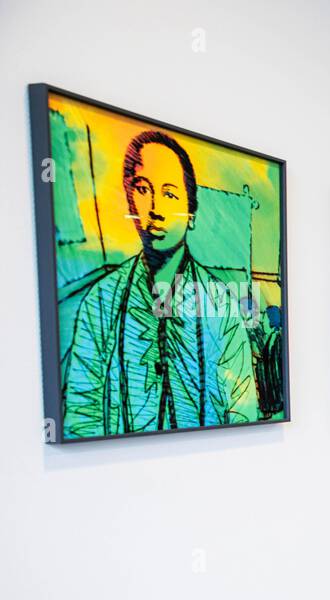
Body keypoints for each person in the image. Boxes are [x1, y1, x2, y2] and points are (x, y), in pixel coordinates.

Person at [63, 130, 259, 437]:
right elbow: (81, 414)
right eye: (143, 189)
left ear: (190, 212)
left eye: (169, 194)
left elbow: (243, 407)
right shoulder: (101, 301)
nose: (155, 208)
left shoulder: (220, 303)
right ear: (130, 201)